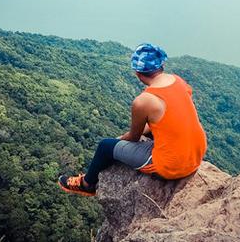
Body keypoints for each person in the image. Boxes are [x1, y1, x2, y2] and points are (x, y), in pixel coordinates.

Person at [58, 43, 207, 196]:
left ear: (137, 72)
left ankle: (87, 184)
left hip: (172, 167)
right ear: (162, 64)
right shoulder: (178, 80)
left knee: (105, 146)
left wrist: (118, 140)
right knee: (146, 134)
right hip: (196, 154)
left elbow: (134, 137)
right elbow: (172, 118)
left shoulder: (143, 101)